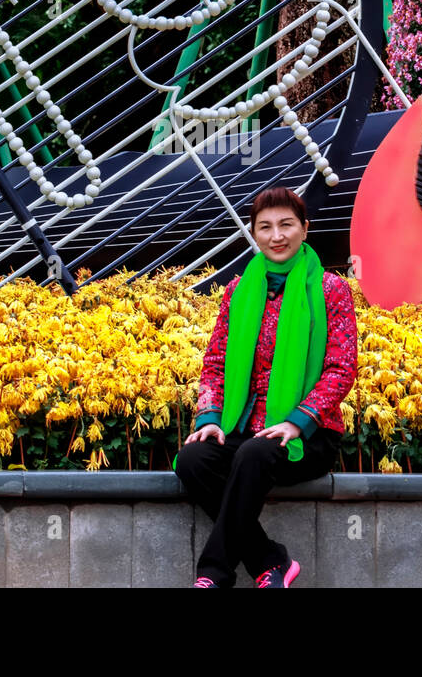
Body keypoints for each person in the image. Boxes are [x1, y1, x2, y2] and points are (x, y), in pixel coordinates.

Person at [172, 186, 358, 588]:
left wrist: (296, 422)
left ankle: (213, 575)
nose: (277, 236)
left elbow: (341, 369)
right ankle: (270, 563)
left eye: (287, 225)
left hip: (310, 435)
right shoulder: (238, 290)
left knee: (257, 453)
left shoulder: (331, 289)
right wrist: (210, 418)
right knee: (193, 460)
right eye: (266, 227)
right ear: (254, 234)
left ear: (305, 229)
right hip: (245, 428)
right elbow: (216, 364)